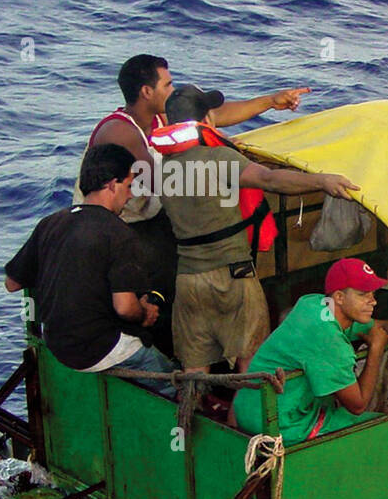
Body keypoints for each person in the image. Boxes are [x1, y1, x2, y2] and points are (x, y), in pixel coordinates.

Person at [73, 54, 314, 352]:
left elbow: (214, 115)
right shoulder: (121, 131)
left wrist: (271, 101)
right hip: (119, 226)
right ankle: (163, 348)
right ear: (146, 92)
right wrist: (220, 153)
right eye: (168, 83)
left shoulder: (161, 117)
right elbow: (169, 182)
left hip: (155, 216)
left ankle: (197, 351)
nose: (172, 90)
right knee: (169, 280)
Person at [151, 84, 360, 378]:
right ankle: (250, 422)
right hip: (232, 275)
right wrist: (322, 181)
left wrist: (269, 101)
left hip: (188, 279)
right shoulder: (218, 158)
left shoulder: (164, 168)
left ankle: (189, 420)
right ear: (206, 120)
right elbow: (270, 179)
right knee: (252, 363)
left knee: (195, 369)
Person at [4, 144, 175, 395]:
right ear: (111, 185)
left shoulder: (51, 223)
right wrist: (145, 313)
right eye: (128, 186)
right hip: (99, 348)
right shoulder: (118, 233)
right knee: (172, 381)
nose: (129, 196)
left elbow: (12, 283)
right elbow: (126, 308)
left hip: (58, 345)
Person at [231, 258, 388, 446]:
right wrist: (376, 349)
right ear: (339, 296)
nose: (373, 301)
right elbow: (358, 405)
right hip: (278, 424)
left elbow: (382, 327)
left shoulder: (315, 305)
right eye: (362, 294)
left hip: (248, 410)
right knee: (384, 428)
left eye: (373, 294)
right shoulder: (327, 338)